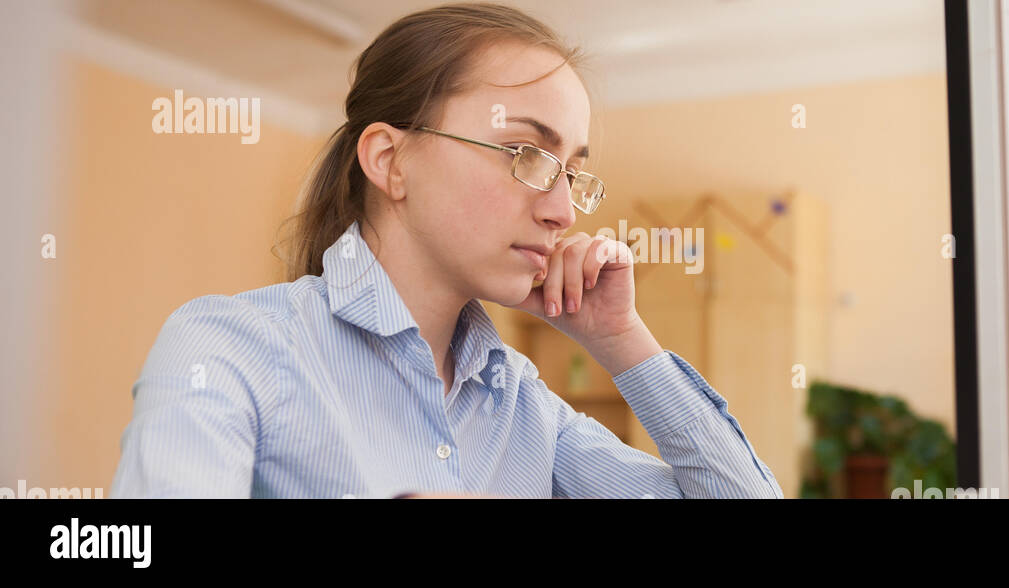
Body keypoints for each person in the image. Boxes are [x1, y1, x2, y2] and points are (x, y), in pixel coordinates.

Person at [110, 2, 782, 499]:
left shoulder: (523, 405)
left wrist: (622, 340)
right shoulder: (227, 348)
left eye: (571, 169)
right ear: (390, 161)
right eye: (525, 153)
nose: (563, 210)